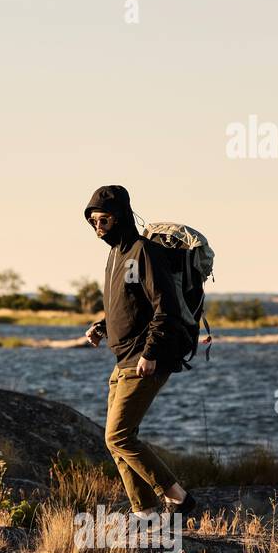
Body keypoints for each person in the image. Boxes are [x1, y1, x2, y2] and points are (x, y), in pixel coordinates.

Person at [82, 185, 199, 521]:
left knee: (117, 434)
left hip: (144, 358)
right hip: (122, 359)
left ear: (120, 217)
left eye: (104, 219)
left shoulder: (142, 252)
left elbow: (167, 307)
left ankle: (177, 497)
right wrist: (103, 326)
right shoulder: (116, 254)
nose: (98, 227)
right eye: (93, 221)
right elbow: (132, 304)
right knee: (117, 441)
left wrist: (151, 352)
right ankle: (146, 513)